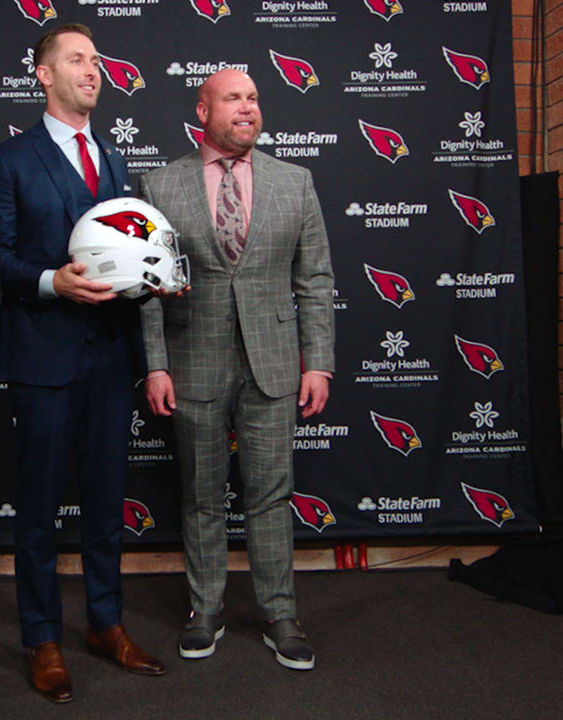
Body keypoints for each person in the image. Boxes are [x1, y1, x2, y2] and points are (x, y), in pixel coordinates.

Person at [0, 22, 165, 704]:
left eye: (97, 61)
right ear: (43, 75)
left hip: (110, 357)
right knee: (38, 508)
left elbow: (130, 254)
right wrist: (55, 282)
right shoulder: (9, 160)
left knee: (108, 504)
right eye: (78, 60)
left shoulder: (113, 159)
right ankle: (43, 637)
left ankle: (105, 625)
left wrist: (158, 276)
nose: (94, 71)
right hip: (44, 356)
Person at [139, 69, 335, 671]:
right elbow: (147, 285)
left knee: (271, 494)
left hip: (274, 363)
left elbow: (316, 280)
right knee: (201, 494)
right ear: (204, 110)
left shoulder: (295, 182)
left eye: (253, 97)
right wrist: (155, 366)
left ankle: (280, 613)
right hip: (192, 361)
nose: (248, 107)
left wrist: (319, 364)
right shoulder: (160, 184)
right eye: (233, 98)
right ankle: (206, 609)